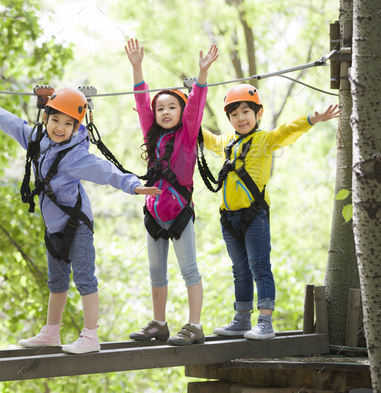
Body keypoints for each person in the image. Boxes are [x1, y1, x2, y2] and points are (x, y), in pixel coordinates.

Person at [0, 87, 160, 354]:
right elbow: (12, 123)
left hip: (76, 225)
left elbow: (105, 171)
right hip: (54, 227)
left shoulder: (75, 156)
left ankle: (90, 336)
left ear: (76, 127)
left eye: (68, 124)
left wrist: (134, 185)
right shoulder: (37, 140)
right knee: (56, 283)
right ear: (46, 119)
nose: (60, 127)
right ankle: (51, 333)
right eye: (56, 120)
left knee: (84, 279)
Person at [198, 84, 340, 339]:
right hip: (229, 218)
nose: (240, 118)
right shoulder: (226, 142)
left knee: (259, 266)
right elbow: (205, 137)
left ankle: (265, 321)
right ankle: (241, 319)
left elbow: (286, 131)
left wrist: (312, 119)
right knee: (239, 270)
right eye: (234, 115)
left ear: (258, 113)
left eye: (245, 112)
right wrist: (180, 116)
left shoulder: (264, 140)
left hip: (254, 217)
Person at [125, 38, 218, 346]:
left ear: (181, 112)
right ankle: (159, 324)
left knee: (189, 270)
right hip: (153, 212)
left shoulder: (188, 136)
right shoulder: (151, 136)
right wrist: (137, 67)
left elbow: (196, 106)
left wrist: (202, 76)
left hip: (179, 214)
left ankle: (194, 326)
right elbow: (142, 105)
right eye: (160, 108)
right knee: (156, 274)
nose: (165, 112)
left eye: (172, 107)